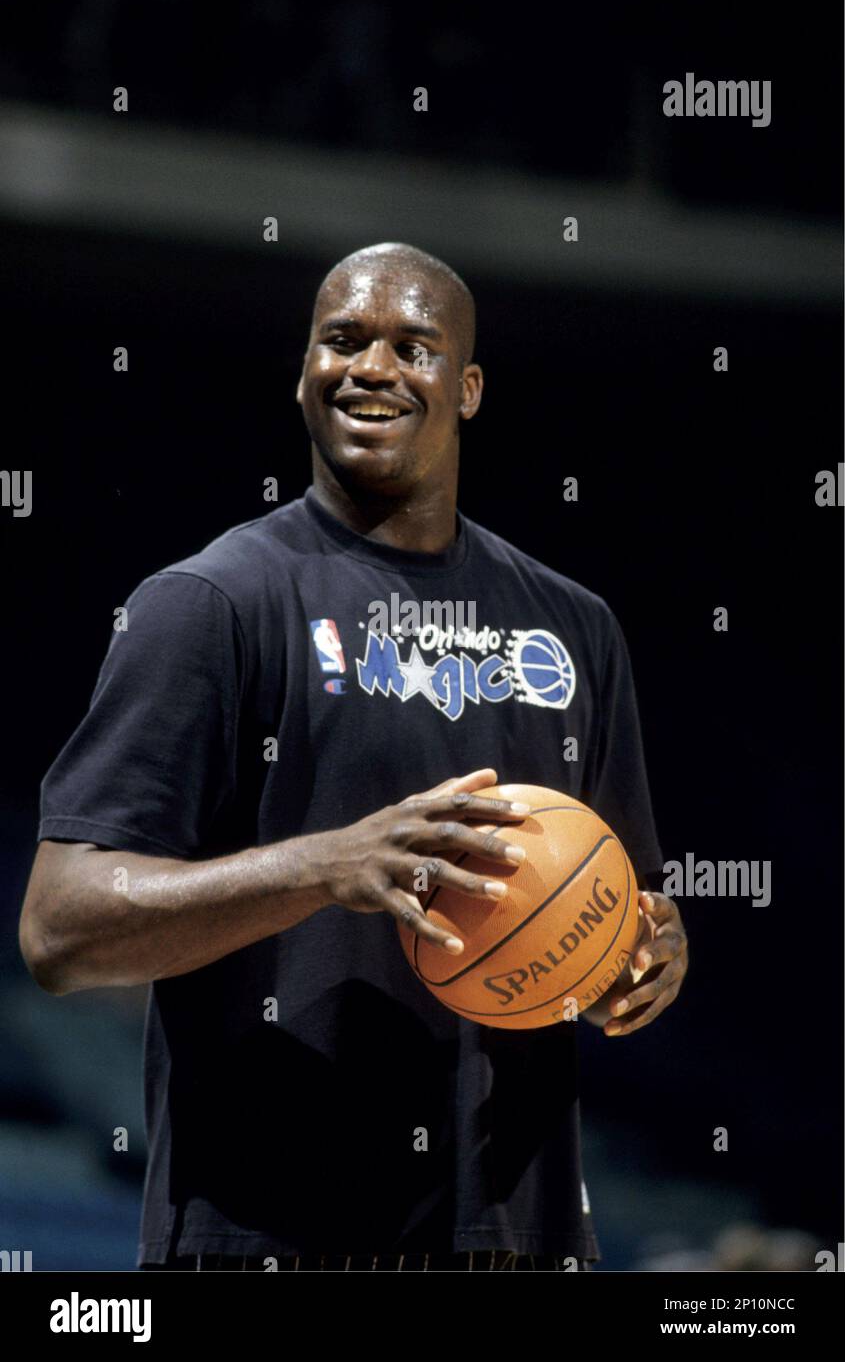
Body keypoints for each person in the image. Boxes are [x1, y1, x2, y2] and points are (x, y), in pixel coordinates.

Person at [19, 242, 688, 1272]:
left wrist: (638, 958)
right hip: (266, 1237)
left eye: (412, 347)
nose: (372, 367)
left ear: (467, 390)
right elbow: (59, 928)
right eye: (342, 340)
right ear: (303, 374)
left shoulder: (573, 628)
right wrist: (327, 865)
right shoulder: (209, 605)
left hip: (517, 1241)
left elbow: (610, 909)